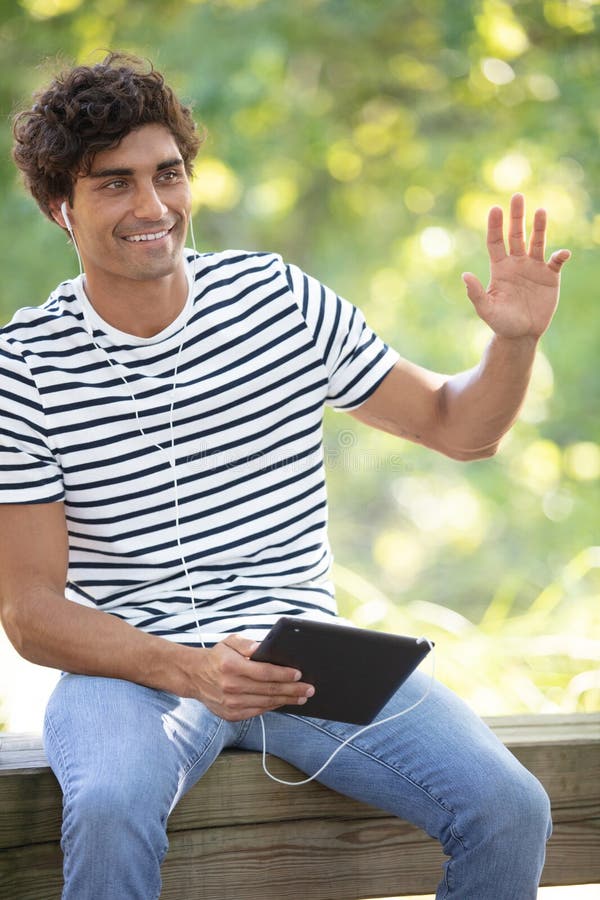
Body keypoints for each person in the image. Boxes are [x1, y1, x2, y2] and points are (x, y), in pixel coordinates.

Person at [0, 52, 570, 900]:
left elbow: (462, 431)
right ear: (60, 208)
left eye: (168, 174)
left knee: (509, 806)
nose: (153, 207)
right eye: (113, 184)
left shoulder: (278, 300)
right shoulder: (26, 364)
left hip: (303, 659)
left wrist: (514, 341)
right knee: (112, 806)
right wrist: (192, 669)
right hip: (132, 671)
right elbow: (31, 613)